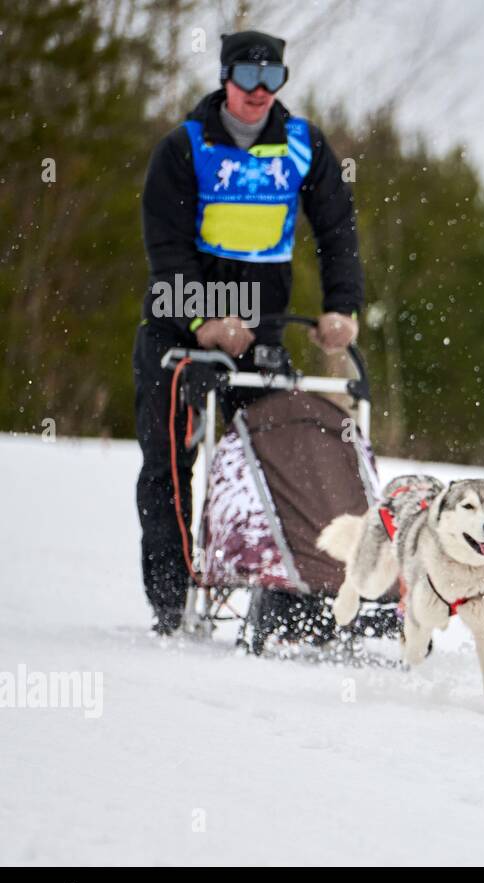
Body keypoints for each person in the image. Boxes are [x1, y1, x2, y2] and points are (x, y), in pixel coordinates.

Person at [134, 30, 364, 634]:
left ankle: (297, 587)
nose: (260, 93)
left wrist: (342, 308)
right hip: (178, 334)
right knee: (169, 466)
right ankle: (172, 603)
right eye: (248, 78)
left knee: (284, 454)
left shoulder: (302, 145)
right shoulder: (183, 149)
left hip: (261, 333)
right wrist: (206, 318)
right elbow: (166, 250)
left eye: (273, 79)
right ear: (225, 78)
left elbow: (337, 229)